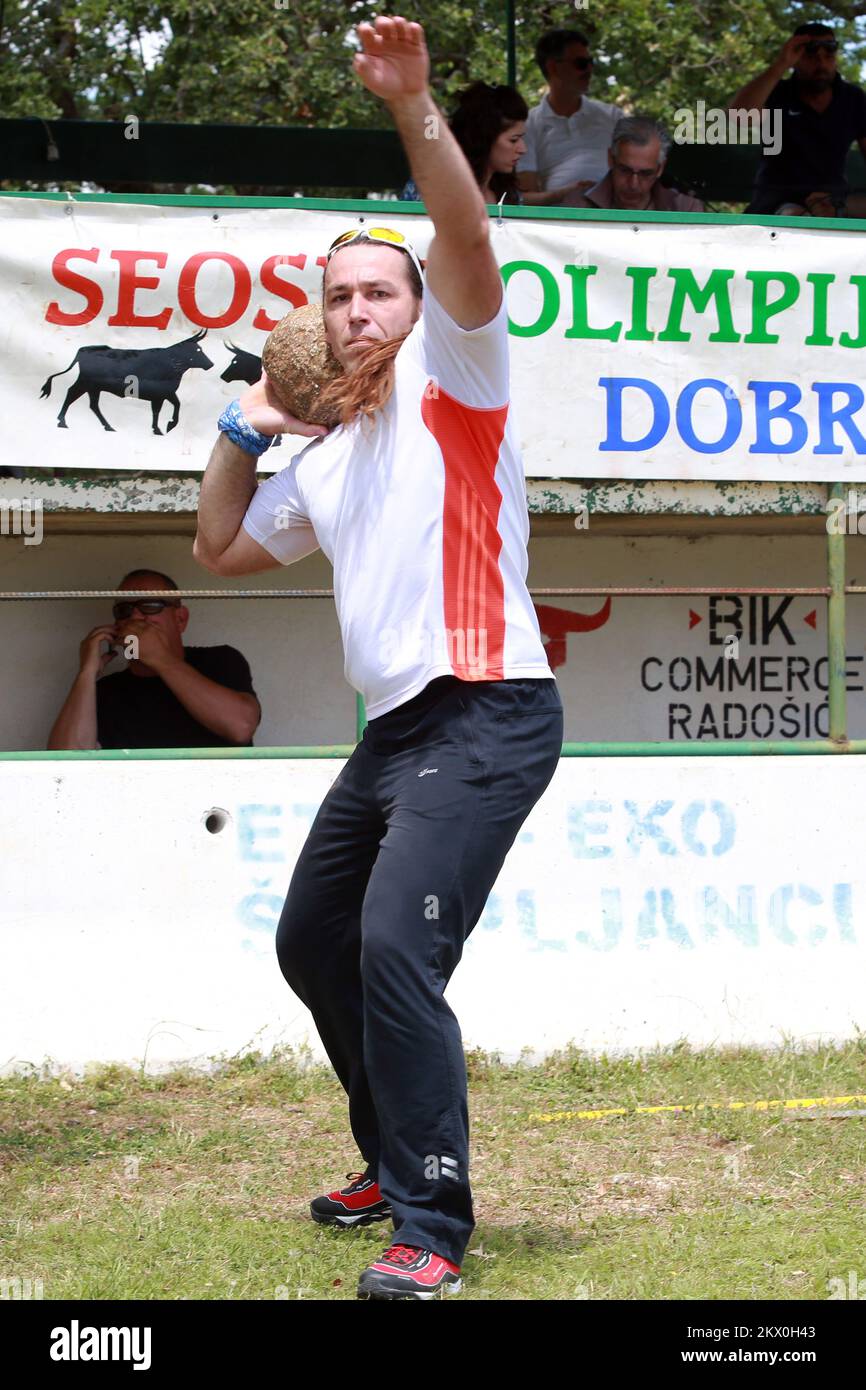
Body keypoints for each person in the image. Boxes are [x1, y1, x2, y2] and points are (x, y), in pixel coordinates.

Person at [193, 15, 563, 1301]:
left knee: (398, 954)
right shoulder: (324, 448)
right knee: (312, 943)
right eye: (340, 295)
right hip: (398, 731)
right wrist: (242, 429)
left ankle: (430, 1224)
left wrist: (414, 107)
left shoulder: (459, 375)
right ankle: (384, 1153)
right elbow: (222, 550)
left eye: (379, 290)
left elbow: (461, 238)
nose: (359, 309)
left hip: (490, 709)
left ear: (415, 308)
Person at [47, 569, 260, 750]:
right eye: (124, 610)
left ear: (180, 619)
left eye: (150, 605)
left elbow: (241, 727)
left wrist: (159, 658)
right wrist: (87, 673)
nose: (136, 617)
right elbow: (63, 766)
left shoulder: (219, 660)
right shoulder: (107, 691)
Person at [728, 21, 866, 215]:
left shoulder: (853, 98)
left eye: (829, 54)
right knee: (792, 213)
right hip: (775, 201)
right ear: (796, 58)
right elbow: (738, 116)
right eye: (811, 54)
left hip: (833, 202)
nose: (821, 63)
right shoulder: (777, 93)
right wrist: (781, 64)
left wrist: (838, 204)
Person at [516, 27, 623, 206]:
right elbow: (525, 198)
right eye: (581, 63)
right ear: (553, 67)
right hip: (560, 224)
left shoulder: (613, 117)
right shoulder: (528, 125)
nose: (589, 69)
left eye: (591, 62)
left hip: (615, 218)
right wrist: (563, 194)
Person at [400, 80, 527, 205]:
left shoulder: (511, 195)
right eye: (513, 140)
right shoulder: (431, 186)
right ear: (484, 138)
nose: (523, 149)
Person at [562, 116, 704, 212]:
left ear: (660, 168)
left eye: (645, 173)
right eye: (625, 170)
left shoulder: (685, 209)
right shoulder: (577, 207)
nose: (633, 184)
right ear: (610, 159)